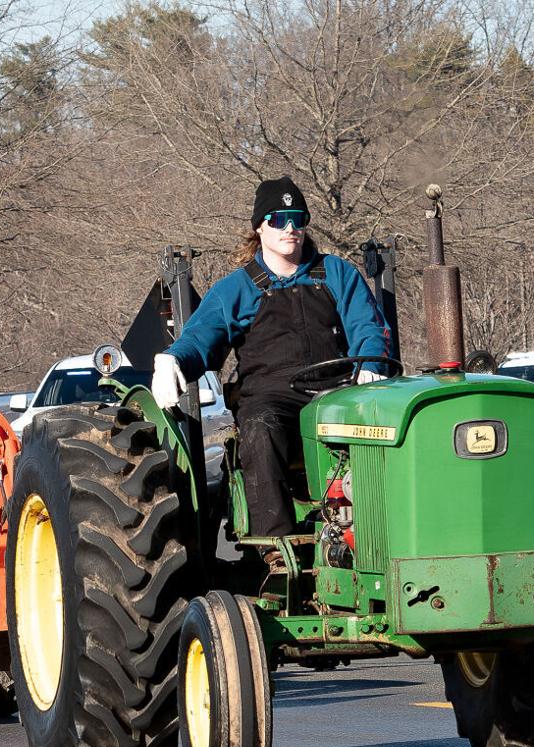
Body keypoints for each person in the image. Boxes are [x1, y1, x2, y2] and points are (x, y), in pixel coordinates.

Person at [154, 176, 393, 540]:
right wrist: (174, 360)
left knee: (387, 425)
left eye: (298, 218)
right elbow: (202, 337)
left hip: (338, 389)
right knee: (260, 426)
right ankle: (275, 545)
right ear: (260, 227)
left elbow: (367, 326)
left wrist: (371, 366)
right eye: (280, 220)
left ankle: (384, 527)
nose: (291, 228)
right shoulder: (237, 288)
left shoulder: (337, 274)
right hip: (271, 395)